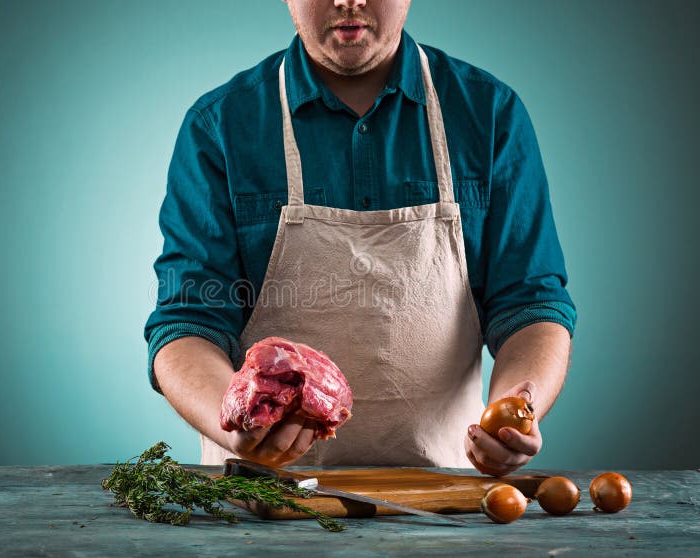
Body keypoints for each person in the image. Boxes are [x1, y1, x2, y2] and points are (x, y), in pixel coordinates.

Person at [145, 0, 575, 474]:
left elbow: (529, 305)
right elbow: (188, 322)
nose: (348, 0)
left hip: (446, 493)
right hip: (264, 493)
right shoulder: (220, 124)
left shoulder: (489, 113)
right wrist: (233, 422)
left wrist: (519, 408)